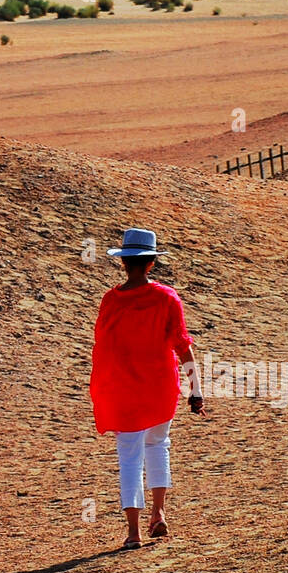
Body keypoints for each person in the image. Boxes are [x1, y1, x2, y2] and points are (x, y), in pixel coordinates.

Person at [89, 228, 206, 549]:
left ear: (124, 263)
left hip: (124, 392)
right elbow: (183, 347)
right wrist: (195, 390)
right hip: (160, 388)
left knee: (129, 457)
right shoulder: (167, 298)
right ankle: (159, 512)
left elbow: (103, 349)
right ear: (152, 263)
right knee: (158, 445)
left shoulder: (111, 301)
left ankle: (133, 532)